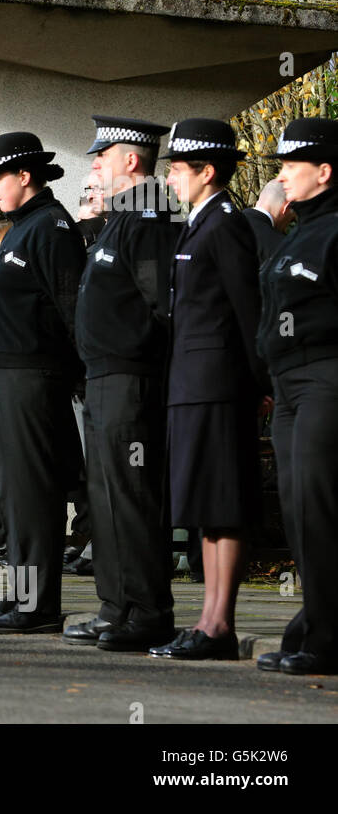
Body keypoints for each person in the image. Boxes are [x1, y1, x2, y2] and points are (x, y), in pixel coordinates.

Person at [150, 118, 267, 661]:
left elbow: (250, 313)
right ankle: (207, 620)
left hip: (220, 385)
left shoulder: (226, 224)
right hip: (192, 384)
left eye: (177, 169)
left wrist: (258, 384)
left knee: (223, 501)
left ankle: (219, 623)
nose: (170, 179)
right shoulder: (198, 223)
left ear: (207, 171)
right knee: (204, 502)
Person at [64, 115, 178, 651]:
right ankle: (116, 606)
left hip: (132, 378)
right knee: (107, 496)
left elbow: (162, 304)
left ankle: (147, 611)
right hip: (105, 378)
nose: (94, 165)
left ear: (131, 160)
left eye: (101, 156)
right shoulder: (121, 219)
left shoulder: (150, 216)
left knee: (130, 496)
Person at [0, 132, 85, 634]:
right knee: (13, 490)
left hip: (32, 375)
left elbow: (73, 308)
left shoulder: (51, 228)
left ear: (24, 176)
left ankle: (37, 604)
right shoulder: (20, 229)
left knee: (33, 490)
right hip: (3, 375)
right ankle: (20, 593)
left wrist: (78, 374)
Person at [256, 117, 338, 675]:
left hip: (324, 379)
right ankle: (313, 622)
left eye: (290, 166)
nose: (281, 176)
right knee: (297, 509)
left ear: (325, 172)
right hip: (287, 386)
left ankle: (327, 636)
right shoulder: (300, 230)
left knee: (318, 507)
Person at [243, 178, 293, 267]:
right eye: (291, 219)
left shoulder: (227, 222)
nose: (288, 224)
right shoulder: (280, 247)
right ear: (286, 208)